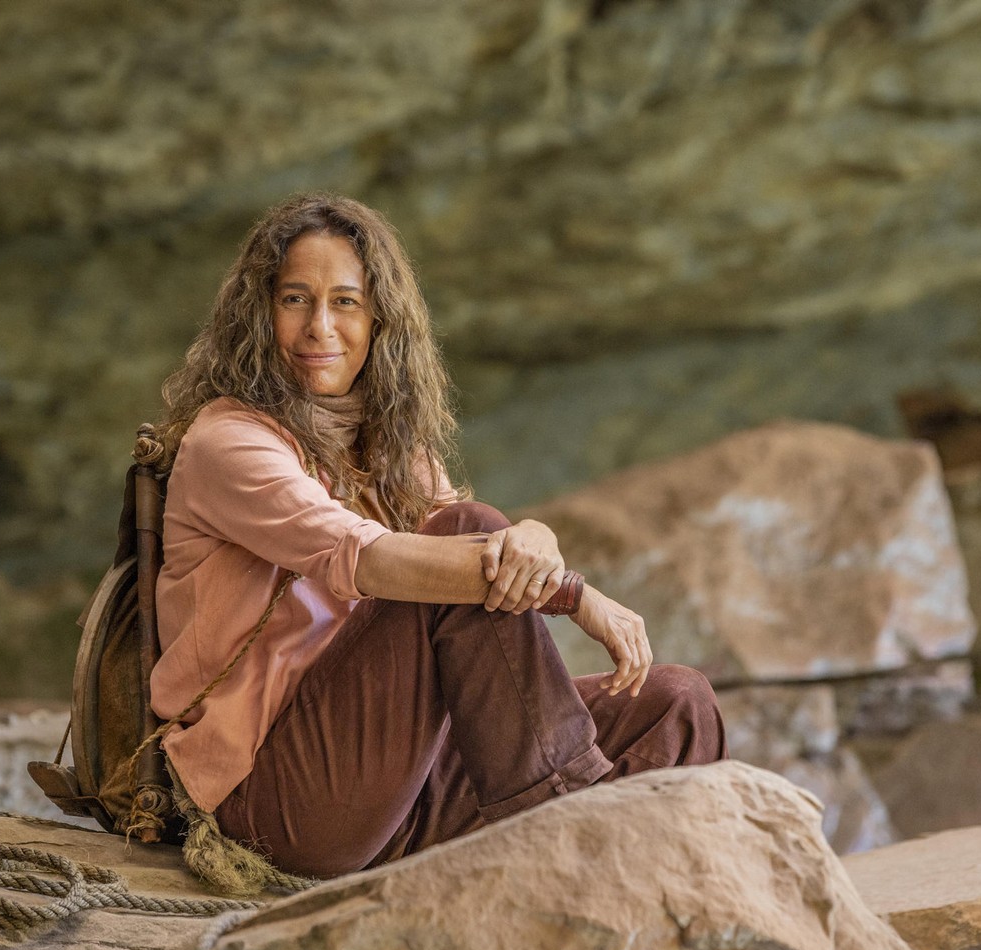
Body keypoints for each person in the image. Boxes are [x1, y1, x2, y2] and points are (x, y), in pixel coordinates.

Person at [151, 193, 727, 879]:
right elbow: (369, 556)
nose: (319, 327)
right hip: (283, 802)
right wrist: (572, 594)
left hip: (404, 783)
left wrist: (537, 535)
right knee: (468, 536)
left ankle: (660, 881)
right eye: (295, 300)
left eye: (345, 302)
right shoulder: (230, 441)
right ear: (258, 313)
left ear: (380, 321)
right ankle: (568, 834)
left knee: (677, 701)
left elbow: (491, 552)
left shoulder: (388, 445)